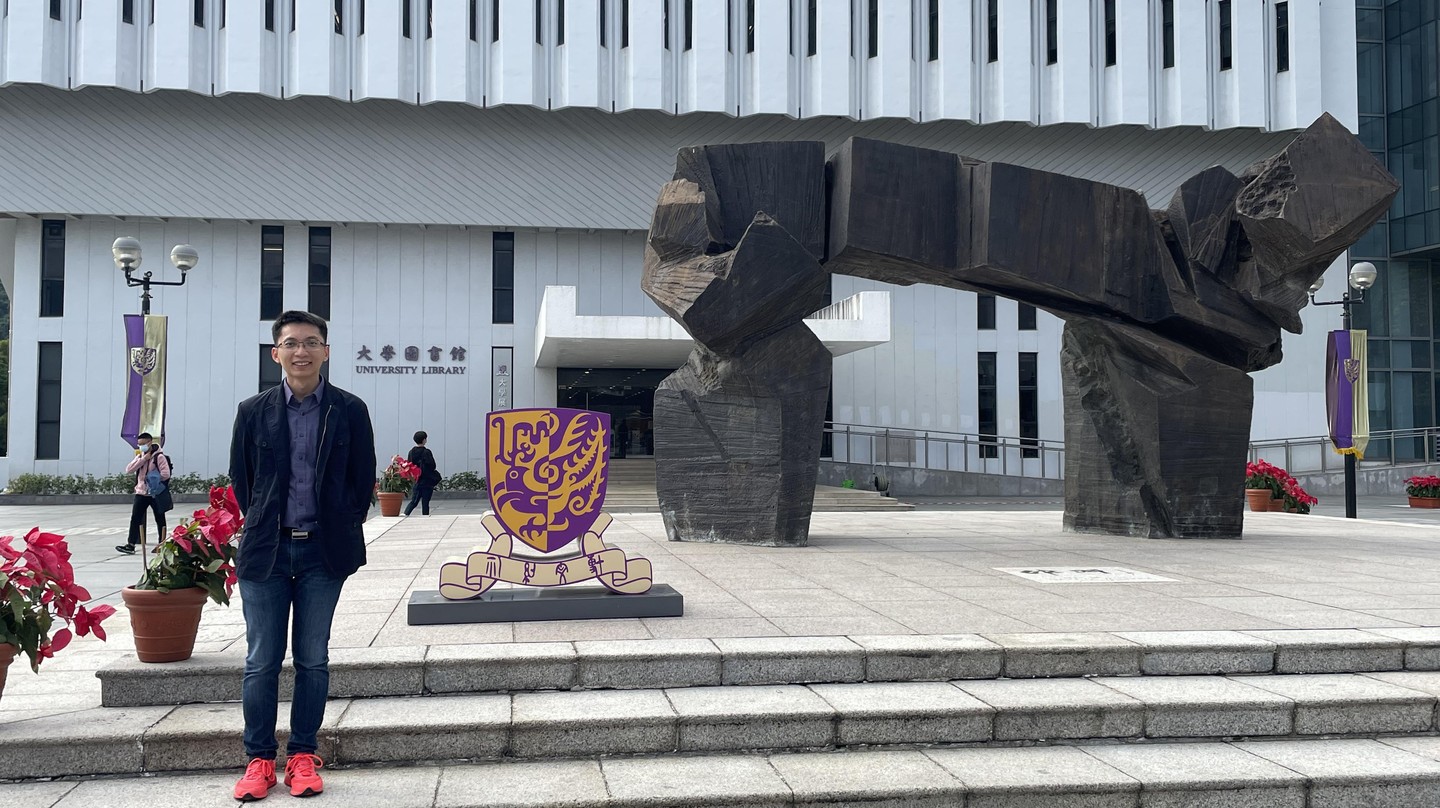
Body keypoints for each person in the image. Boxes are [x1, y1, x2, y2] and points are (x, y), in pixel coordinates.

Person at [229, 311, 375, 802]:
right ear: (276, 353)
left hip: (322, 553)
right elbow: (243, 480)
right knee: (261, 660)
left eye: (311, 342)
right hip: (266, 553)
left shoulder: (349, 410)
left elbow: (362, 479)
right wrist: (264, 520)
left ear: (325, 352)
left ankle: (303, 755)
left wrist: (341, 522)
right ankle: (259, 759)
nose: (301, 351)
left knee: (313, 658)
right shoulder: (253, 411)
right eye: (291, 343)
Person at [115, 433, 170, 555]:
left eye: (143, 444)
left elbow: (166, 474)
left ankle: (162, 544)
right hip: (141, 493)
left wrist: (153, 479)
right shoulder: (141, 456)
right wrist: (143, 459)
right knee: (135, 518)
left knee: (160, 519)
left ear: (150, 443)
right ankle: (130, 544)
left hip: (155, 493)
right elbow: (129, 469)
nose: (141, 446)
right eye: (139, 444)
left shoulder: (159, 457)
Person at [403, 430, 441, 516]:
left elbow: (409, 466)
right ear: (424, 440)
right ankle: (425, 518)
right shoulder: (427, 452)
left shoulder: (411, 452)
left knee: (414, 501)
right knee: (425, 503)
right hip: (427, 481)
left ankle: (405, 514)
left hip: (417, 480)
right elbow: (432, 466)